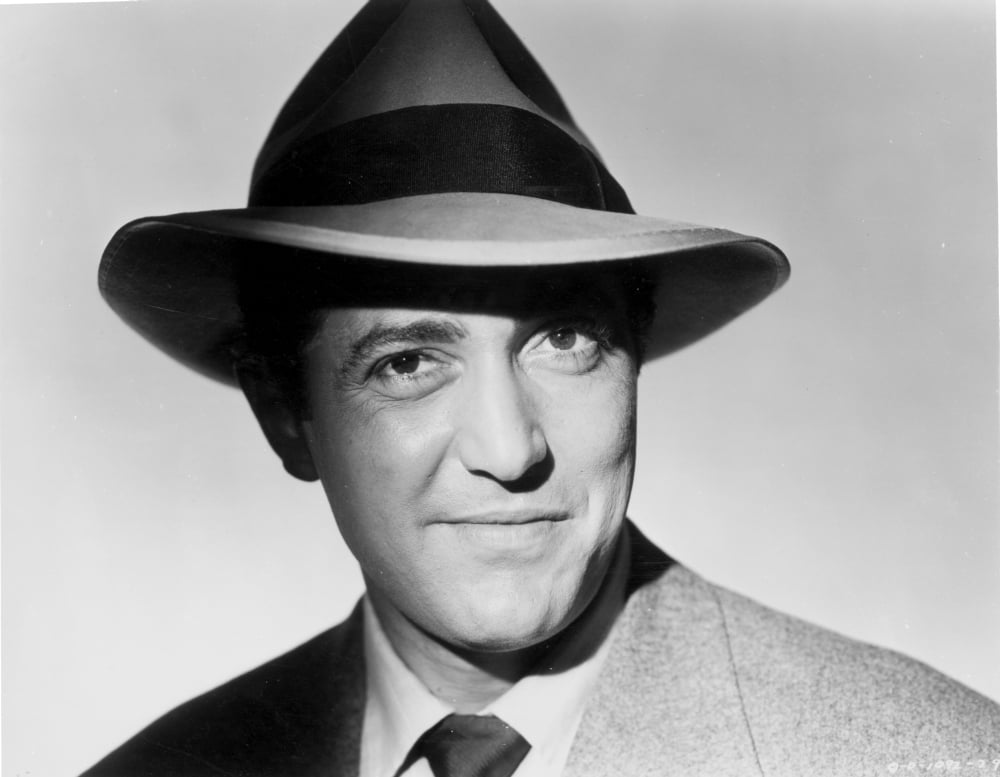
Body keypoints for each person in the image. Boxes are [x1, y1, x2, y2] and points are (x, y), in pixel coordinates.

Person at [81, 0, 999, 775]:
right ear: (286, 415)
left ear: (633, 356)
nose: (510, 447)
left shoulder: (934, 757)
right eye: (408, 363)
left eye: (565, 339)